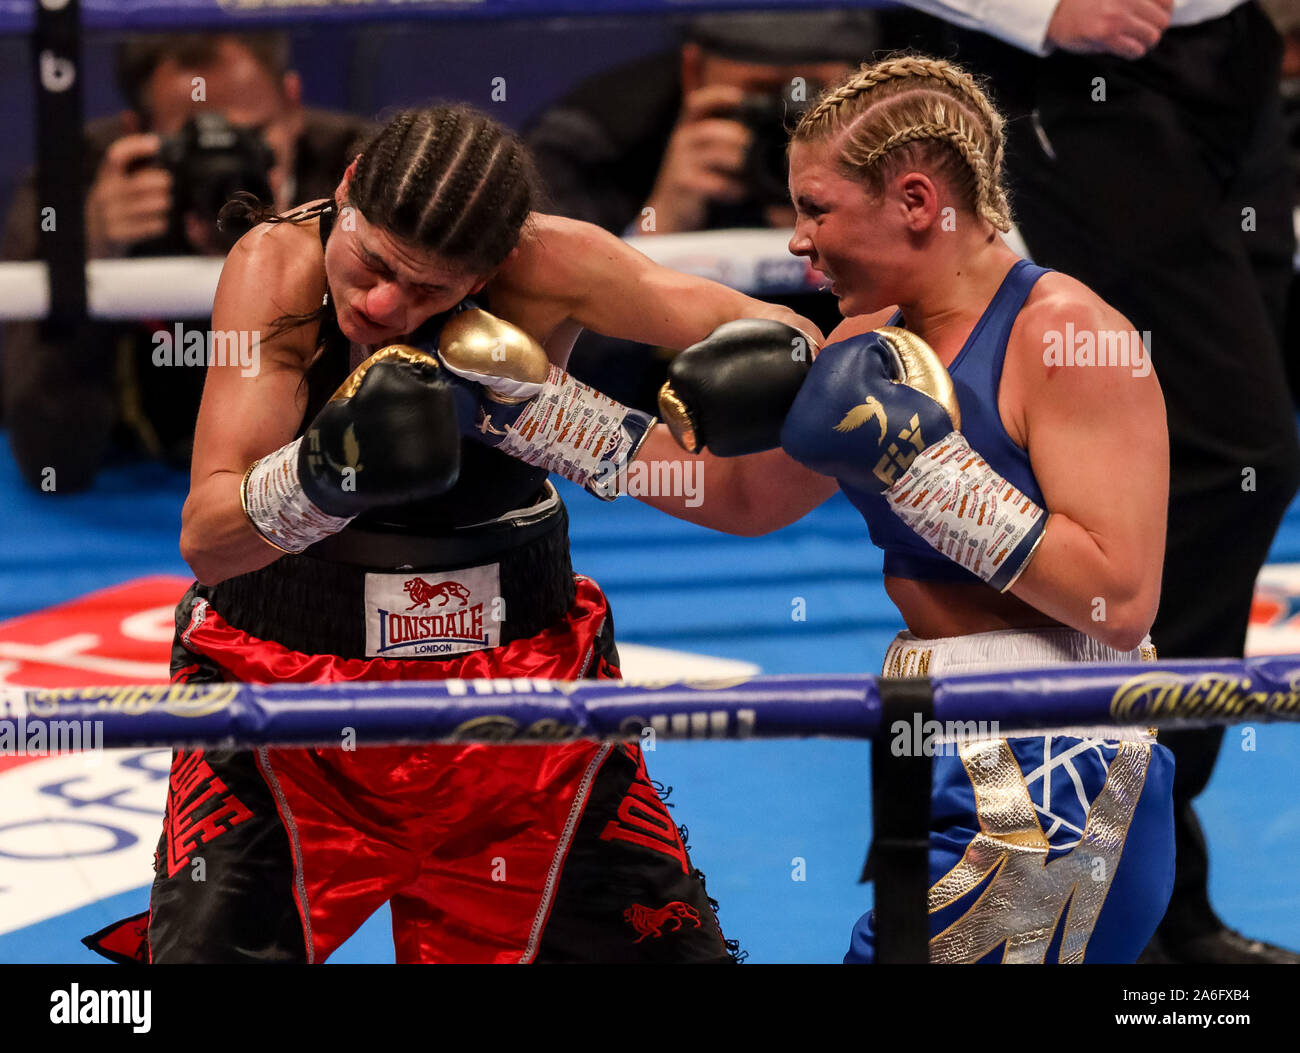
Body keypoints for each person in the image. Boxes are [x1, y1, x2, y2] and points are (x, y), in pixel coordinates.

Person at [460, 55, 1178, 963]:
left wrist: (922, 468)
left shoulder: (1066, 336)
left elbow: (1120, 599)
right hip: (932, 721)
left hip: (1059, 755)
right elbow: (741, 494)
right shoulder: (867, 340)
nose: (798, 239)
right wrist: (534, 411)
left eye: (818, 208)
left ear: (916, 200)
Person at [83, 103, 824, 965]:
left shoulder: (557, 262)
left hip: (525, 703)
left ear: (492, 268)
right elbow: (209, 540)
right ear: (349, 188)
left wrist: (542, 412)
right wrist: (324, 475)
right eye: (371, 262)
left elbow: (784, 351)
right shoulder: (276, 267)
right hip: (281, 700)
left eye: (430, 288)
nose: (384, 303)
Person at [892, 0, 1300, 963]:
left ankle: (1151, 867)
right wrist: (1037, 10)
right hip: (1062, 67)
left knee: (1212, 451)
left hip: (1227, 53)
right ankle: (1114, 812)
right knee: (1231, 450)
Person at [2, 32, 373, 489]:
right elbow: (50, 461)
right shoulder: (78, 186)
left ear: (293, 103)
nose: (228, 176)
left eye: (251, 139)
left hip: (312, 482)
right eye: (197, 148)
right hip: (130, 486)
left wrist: (316, 241)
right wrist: (88, 254)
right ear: (136, 130)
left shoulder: (364, 174)